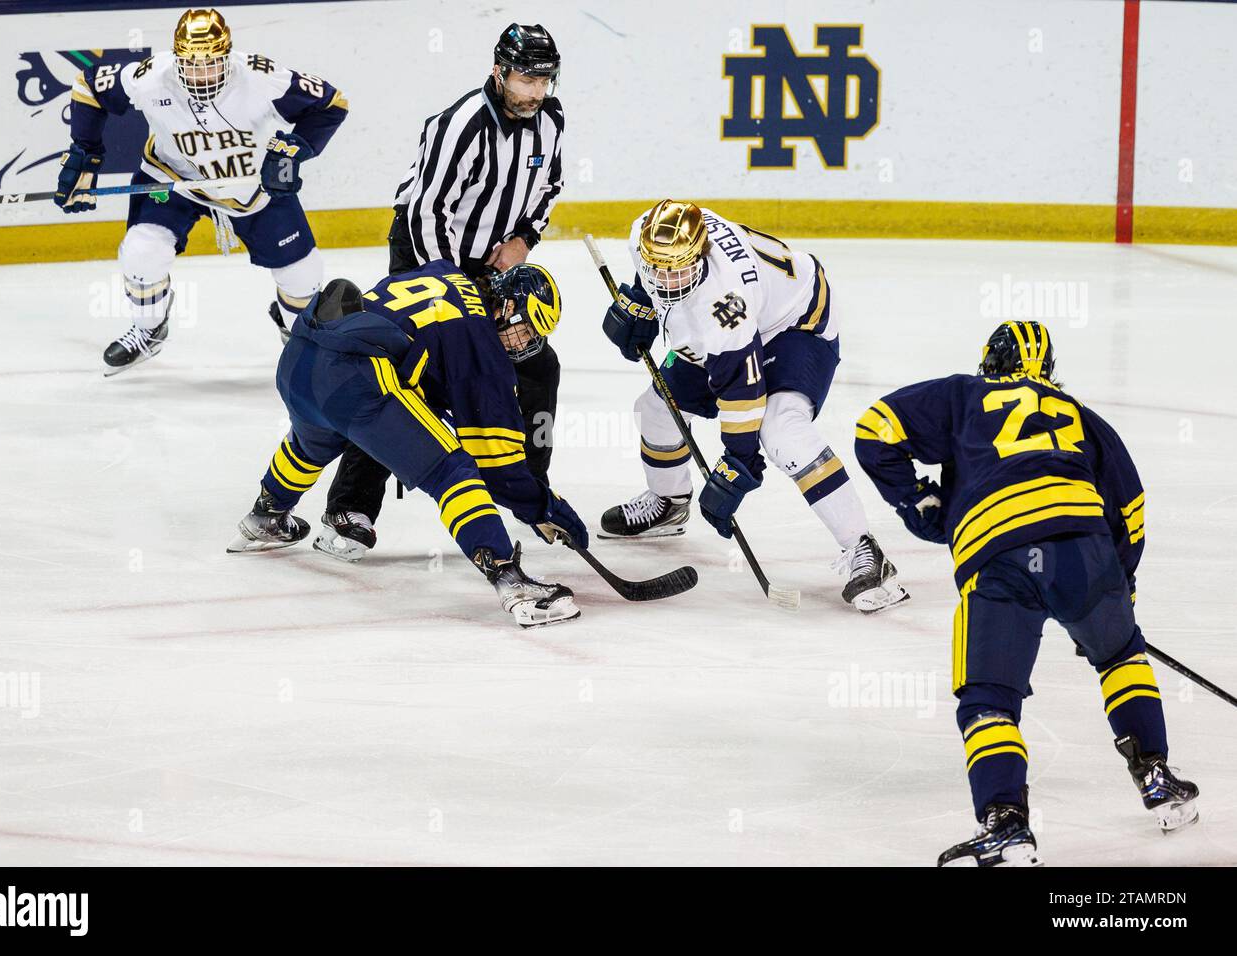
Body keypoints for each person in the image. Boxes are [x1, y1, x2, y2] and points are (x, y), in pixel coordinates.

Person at [854, 320, 1199, 865]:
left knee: (989, 698)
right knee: (1120, 657)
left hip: (1000, 554)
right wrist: (1117, 592)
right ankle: (1156, 777)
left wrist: (919, 503)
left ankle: (1007, 823)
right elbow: (1129, 509)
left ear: (988, 362)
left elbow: (875, 428)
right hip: (1083, 548)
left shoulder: (963, 394)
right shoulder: (1081, 415)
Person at [316, 22, 565, 559]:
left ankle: (528, 493)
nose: (537, 92)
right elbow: (428, 211)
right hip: (426, 253)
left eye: (545, 80)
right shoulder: (461, 125)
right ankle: (349, 506)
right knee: (406, 374)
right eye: (527, 79)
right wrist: (452, 291)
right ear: (499, 71)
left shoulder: (551, 119)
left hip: (490, 264)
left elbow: (550, 187)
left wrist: (523, 239)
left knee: (535, 368)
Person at [227, 261, 588, 629]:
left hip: (301, 358)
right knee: (452, 471)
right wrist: (544, 507)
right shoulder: (480, 340)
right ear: (507, 307)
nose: (524, 344)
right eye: (525, 330)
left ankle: (266, 514)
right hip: (357, 377)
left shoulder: (444, 273)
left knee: (309, 446)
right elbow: (496, 467)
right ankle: (513, 584)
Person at [599, 199, 906, 612]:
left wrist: (736, 467)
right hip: (731, 319)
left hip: (794, 322)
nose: (668, 281)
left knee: (780, 429)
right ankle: (669, 504)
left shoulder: (724, 301)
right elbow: (647, 277)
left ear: (701, 252)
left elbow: (741, 394)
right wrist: (638, 305)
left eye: (679, 270)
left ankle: (865, 549)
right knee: (655, 409)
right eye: (660, 269)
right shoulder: (645, 235)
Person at [55, 7, 348, 374]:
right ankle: (150, 330)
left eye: (211, 64)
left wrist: (290, 151)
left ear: (228, 57)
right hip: (172, 180)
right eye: (191, 65)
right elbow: (88, 86)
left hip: (251, 186)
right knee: (142, 253)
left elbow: (331, 104)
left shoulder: (261, 76)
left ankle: (299, 337)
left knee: (303, 273)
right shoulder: (151, 76)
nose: (200, 74)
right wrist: (85, 154)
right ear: (176, 59)